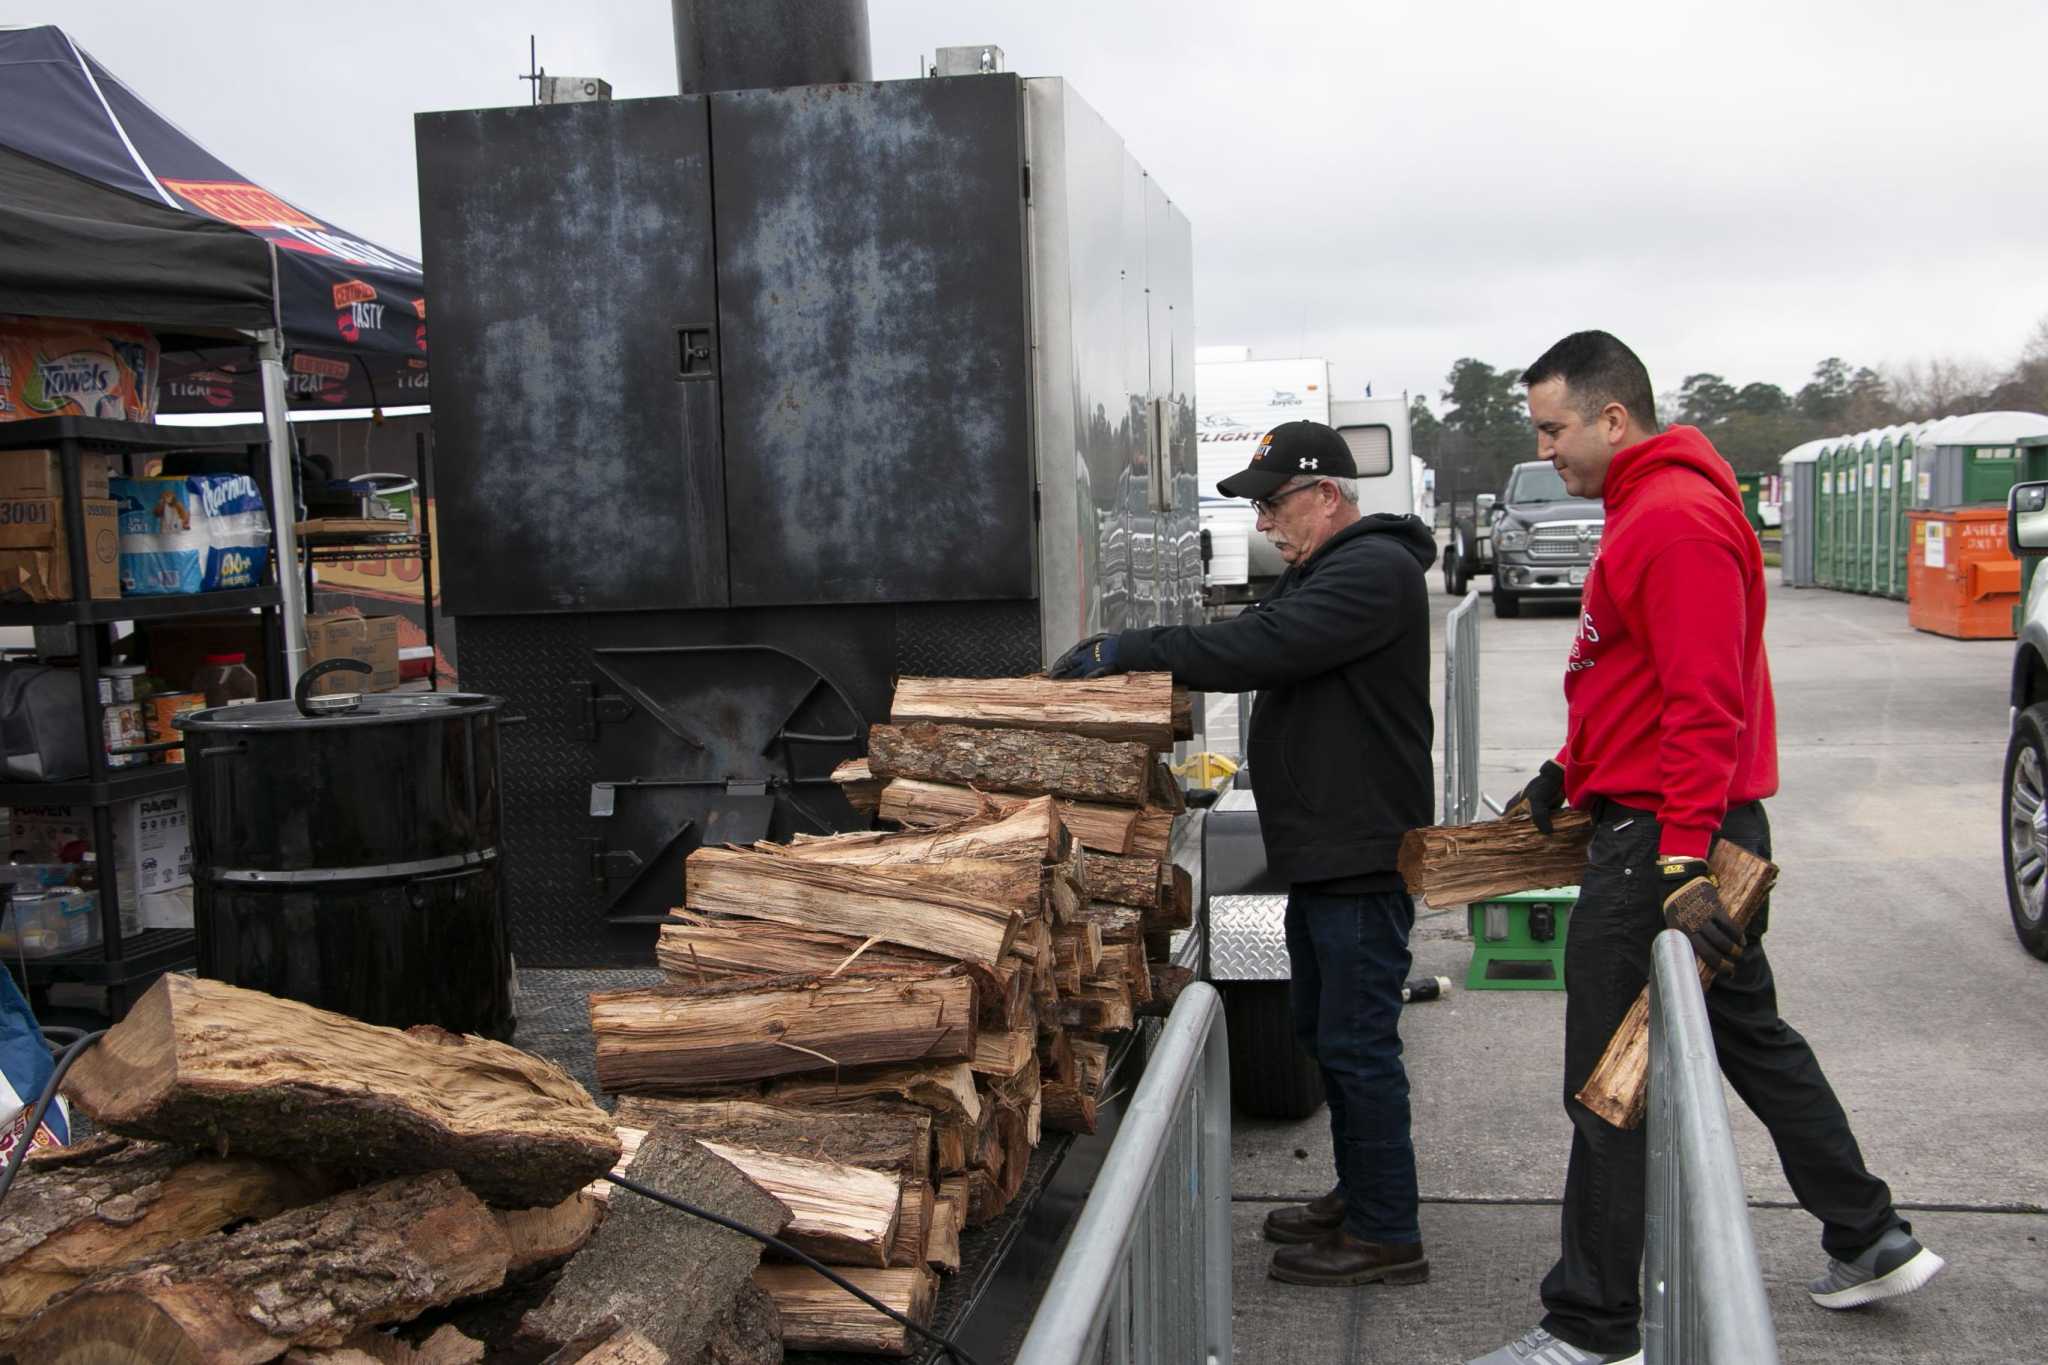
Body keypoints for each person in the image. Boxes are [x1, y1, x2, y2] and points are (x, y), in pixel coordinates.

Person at [1468, 332, 1943, 1365]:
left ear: (1611, 417)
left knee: (1608, 1077)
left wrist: (1680, 859)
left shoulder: (1674, 519)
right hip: (1666, 823)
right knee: (1745, 1035)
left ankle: (1590, 1327)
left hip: (1666, 841)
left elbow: (1701, 708)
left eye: (1553, 429)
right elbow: (1628, 682)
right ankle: (1866, 1235)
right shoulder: (1647, 508)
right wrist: (1567, 770)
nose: (1546, 449)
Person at [1050, 419, 1439, 1287]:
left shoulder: (1370, 572)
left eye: (1273, 502)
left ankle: (1387, 1229)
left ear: (1327, 495)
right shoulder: (1330, 570)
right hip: (1328, 850)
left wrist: (1132, 648)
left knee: (1357, 1039)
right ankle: (1364, 1188)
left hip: (1362, 851)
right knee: (1322, 1031)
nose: (1264, 521)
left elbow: (1257, 648)